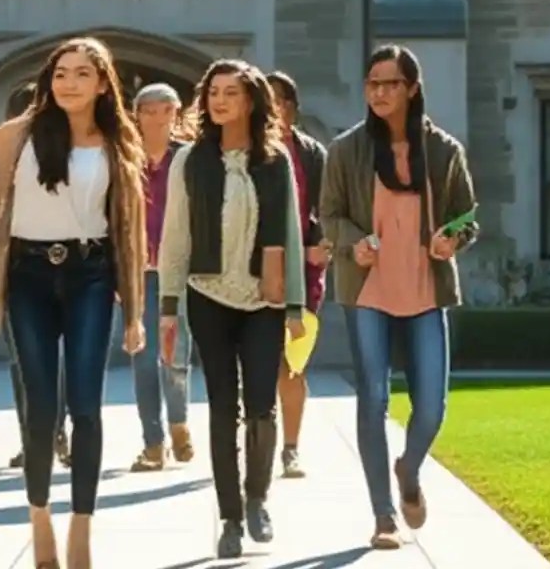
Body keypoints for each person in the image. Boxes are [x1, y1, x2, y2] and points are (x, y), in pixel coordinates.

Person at [0, 37, 147, 569]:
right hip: (27, 275)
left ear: (102, 83)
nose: (68, 83)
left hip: (91, 275)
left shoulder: (118, 142)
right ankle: (40, 517)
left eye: (81, 74)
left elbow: (129, 233)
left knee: (86, 408)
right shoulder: (16, 136)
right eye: (60, 73)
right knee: (41, 409)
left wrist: (136, 313)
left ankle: (82, 527)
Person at [319, 44, 477, 550]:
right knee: (373, 398)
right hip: (369, 289)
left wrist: (453, 239)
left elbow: (467, 216)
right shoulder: (347, 150)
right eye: (372, 84)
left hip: (426, 289)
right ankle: (384, 515)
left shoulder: (444, 151)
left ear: (412, 88)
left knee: (431, 406)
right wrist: (353, 243)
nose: (380, 92)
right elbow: (330, 214)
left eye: (390, 84)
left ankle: (408, 469)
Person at [158, 58, 307, 560]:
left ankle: (258, 497)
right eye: (213, 92)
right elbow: (175, 236)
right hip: (207, 296)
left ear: (251, 101)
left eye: (231, 92)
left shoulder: (276, 160)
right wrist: (168, 306)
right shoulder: (189, 161)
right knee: (224, 406)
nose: (219, 100)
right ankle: (229, 517)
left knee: (262, 406)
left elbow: (290, 231)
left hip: (263, 299)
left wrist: (293, 306)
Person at [0, 83, 72, 471]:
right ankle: (38, 436)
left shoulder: (69, 151)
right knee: (28, 357)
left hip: (58, 263)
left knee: (48, 357)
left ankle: (49, 432)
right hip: (14, 265)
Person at [118, 83, 196, 472]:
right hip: (138, 272)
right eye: (147, 110)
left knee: (175, 355)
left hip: (179, 271)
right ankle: (153, 443)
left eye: (163, 109)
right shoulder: (125, 160)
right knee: (142, 357)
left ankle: (179, 422)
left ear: (175, 113)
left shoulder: (190, 158)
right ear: (137, 115)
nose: (155, 117)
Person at [266, 71, 331, 479]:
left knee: (292, 364)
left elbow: (328, 209)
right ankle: (253, 442)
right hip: (251, 275)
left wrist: (321, 246)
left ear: (290, 108)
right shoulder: (237, 152)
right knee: (252, 365)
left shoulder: (311, 154)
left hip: (301, 275)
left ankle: (290, 448)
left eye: (276, 101)